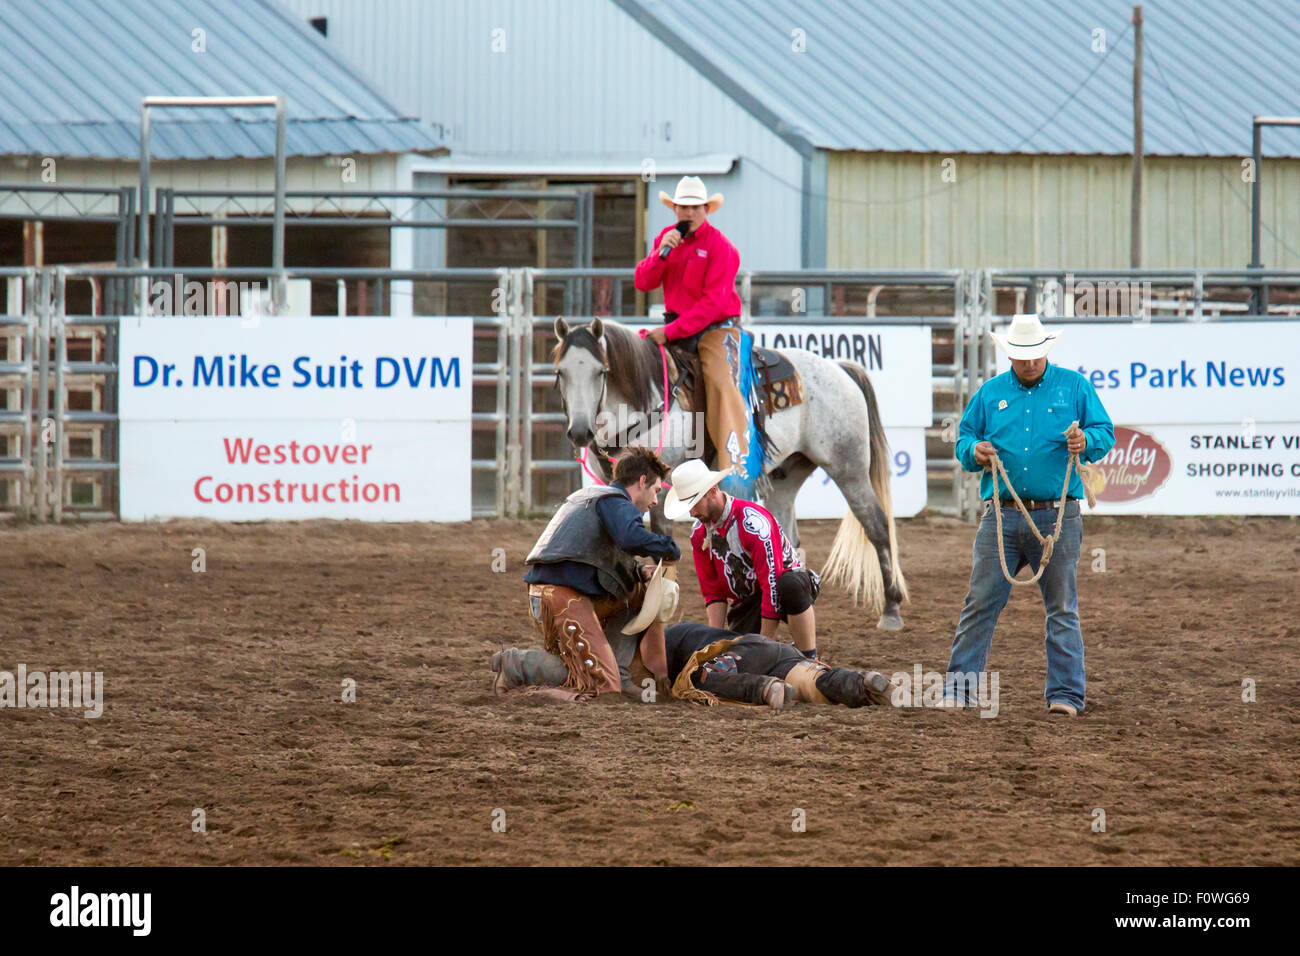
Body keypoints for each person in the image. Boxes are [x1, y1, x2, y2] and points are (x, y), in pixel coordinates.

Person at [946, 314, 1115, 716]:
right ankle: (959, 690)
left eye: (1035, 355)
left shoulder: (1074, 387)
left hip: (1058, 517)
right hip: (1001, 516)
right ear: (1010, 356)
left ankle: (1066, 696)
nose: (1030, 363)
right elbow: (964, 440)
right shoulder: (989, 394)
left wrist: (1085, 439)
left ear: (1045, 352)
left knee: (1061, 607)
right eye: (1022, 357)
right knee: (980, 603)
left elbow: (1105, 433)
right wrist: (974, 451)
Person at [499, 446, 679, 700]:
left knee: (638, 593)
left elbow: (594, 554)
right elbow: (630, 538)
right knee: (602, 686)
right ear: (641, 482)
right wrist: (668, 548)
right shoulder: (617, 503)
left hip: (549, 594)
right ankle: (517, 664)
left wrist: (638, 570)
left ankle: (619, 672)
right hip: (564, 598)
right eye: (656, 491)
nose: (655, 501)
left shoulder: (592, 497)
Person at [633, 175, 760, 498]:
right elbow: (643, 282)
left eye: (694, 207)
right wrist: (659, 255)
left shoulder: (721, 248)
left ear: (706, 209)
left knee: (721, 382)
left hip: (716, 329)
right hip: (677, 326)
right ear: (674, 209)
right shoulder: (667, 239)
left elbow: (712, 303)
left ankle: (736, 471)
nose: (687, 213)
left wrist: (669, 332)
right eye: (682, 206)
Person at [663, 458, 822, 658]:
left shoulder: (753, 523)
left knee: (789, 585)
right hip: (747, 600)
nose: (692, 512)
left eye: (694, 504)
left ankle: (809, 656)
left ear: (712, 490)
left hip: (782, 584)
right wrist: (714, 641)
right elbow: (713, 593)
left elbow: (771, 585)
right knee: (739, 656)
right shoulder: (698, 535)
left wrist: (764, 646)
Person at [663, 621, 896, 709]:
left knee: (698, 680)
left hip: (743, 653)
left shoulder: (664, 637)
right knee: (812, 684)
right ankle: (861, 683)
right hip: (778, 652)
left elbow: (657, 672)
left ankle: (763, 688)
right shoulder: (684, 630)